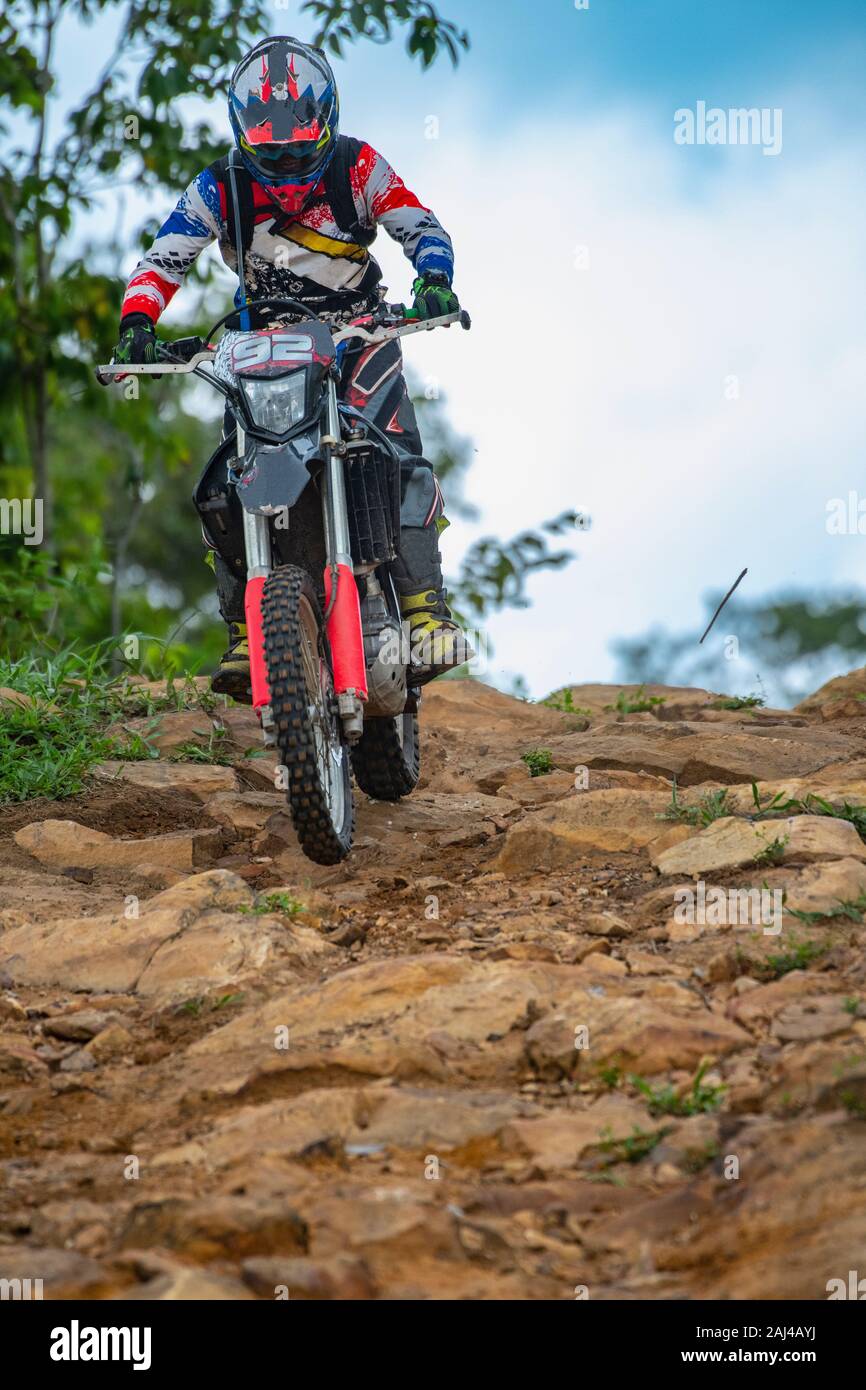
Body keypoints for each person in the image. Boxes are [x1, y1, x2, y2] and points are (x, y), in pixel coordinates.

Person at [110, 34, 468, 699]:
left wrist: (435, 280)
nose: (286, 165)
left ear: (326, 122)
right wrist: (137, 323)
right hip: (261, 348)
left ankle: (424, 613)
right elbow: (166, 259)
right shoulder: (220, 184)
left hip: (359, 333)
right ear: (243, 134)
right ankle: (248, 634)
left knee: (401, 460)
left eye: (300, 148)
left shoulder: (357, 165)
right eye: (269, 151)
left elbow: (421, 225)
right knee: (225, 481)